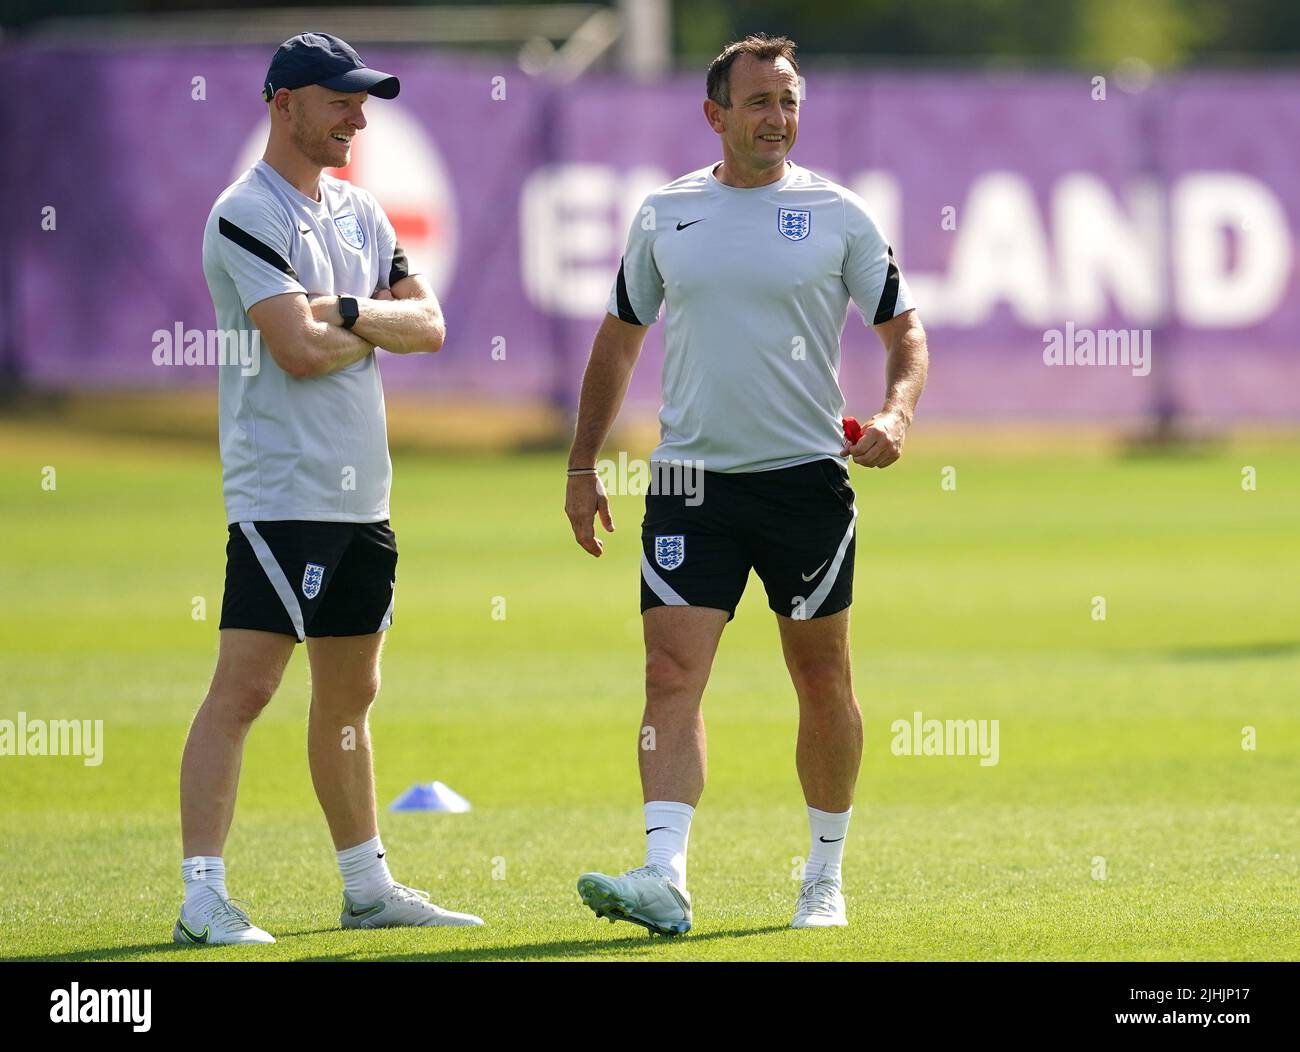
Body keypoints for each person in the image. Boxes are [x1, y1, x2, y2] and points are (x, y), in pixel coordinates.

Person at [564, 33, 929, 934]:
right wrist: (582, 462)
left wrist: (897, 414)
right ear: (714, 114)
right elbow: (619, 338)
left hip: (806, 481)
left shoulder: (842, 214)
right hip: (692, 483)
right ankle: (664, 877)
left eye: (790, 101)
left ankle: (825, 876)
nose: (778, 118)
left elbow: (905, 336)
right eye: (760, 101)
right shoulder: (663, 214)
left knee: (821, 678)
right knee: (669, 671)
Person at [178, 32, 481, 945]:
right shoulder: (246, 212)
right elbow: (296, 352)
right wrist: (356, 329)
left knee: (351, 698)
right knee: (245, 689)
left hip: (362, 503)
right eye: (340, 99)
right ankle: (201, 896)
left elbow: (428, 326)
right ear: (284, 104)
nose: (358, 115)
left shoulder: (361, 213)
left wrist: (347, 309)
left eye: (363, 101)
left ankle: (365, 886)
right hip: (282, 495)